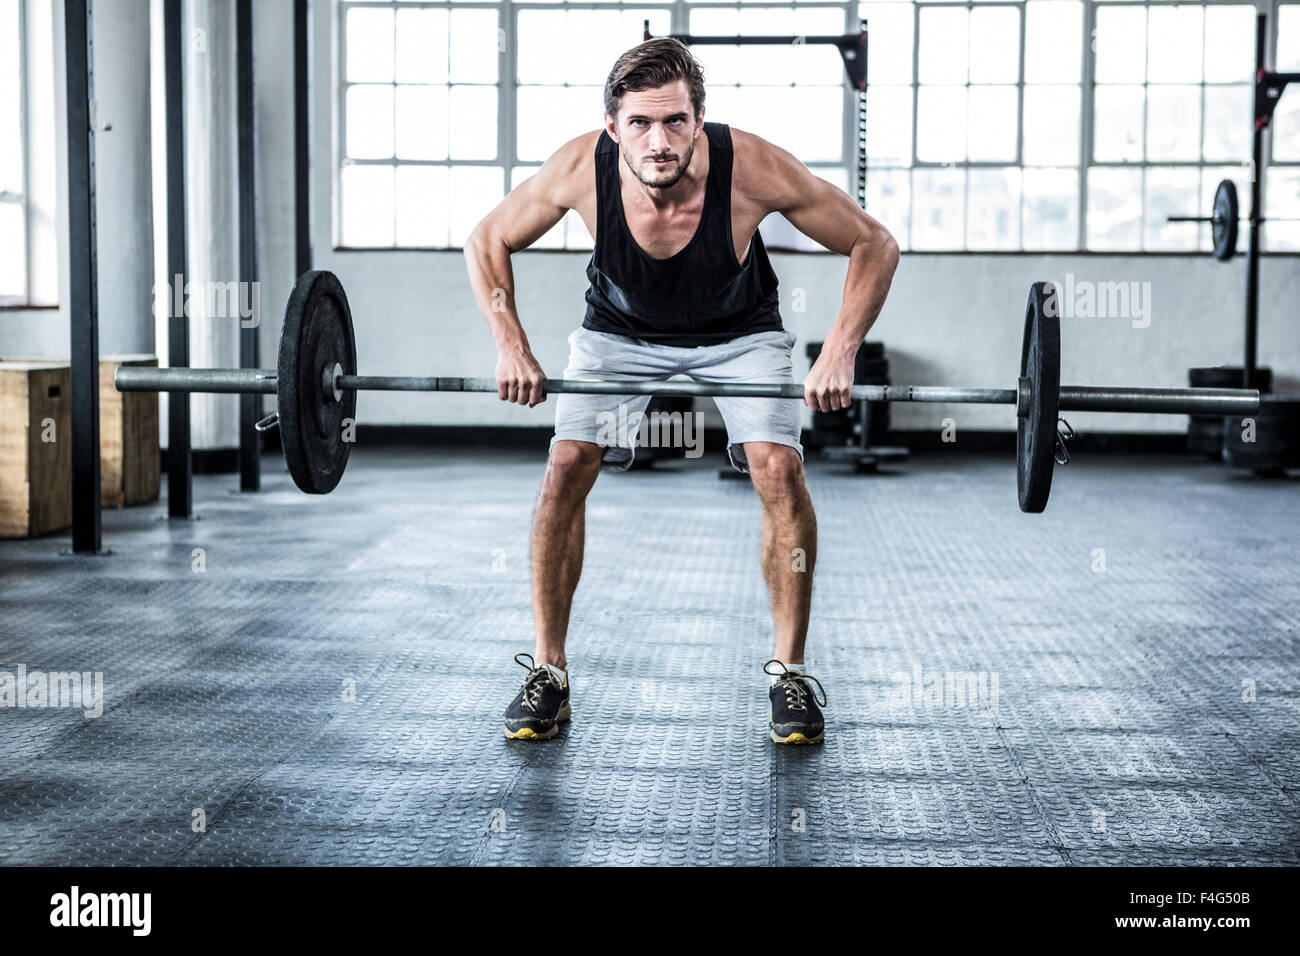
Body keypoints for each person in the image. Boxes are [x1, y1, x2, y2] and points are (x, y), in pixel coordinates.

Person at [464, 38, 899, 744]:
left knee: (779, 468)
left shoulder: (751, 165)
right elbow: (487, 240)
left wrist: (841, 349)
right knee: (567, 465)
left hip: (739, 331)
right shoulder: (582, 167)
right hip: (617, 333)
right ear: (614, 128)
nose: (659, 141)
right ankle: (549, 671)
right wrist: (510, 343)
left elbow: (874, 243)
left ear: (700, 121)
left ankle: (789, 673)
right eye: (640, 123)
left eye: (675, 122)